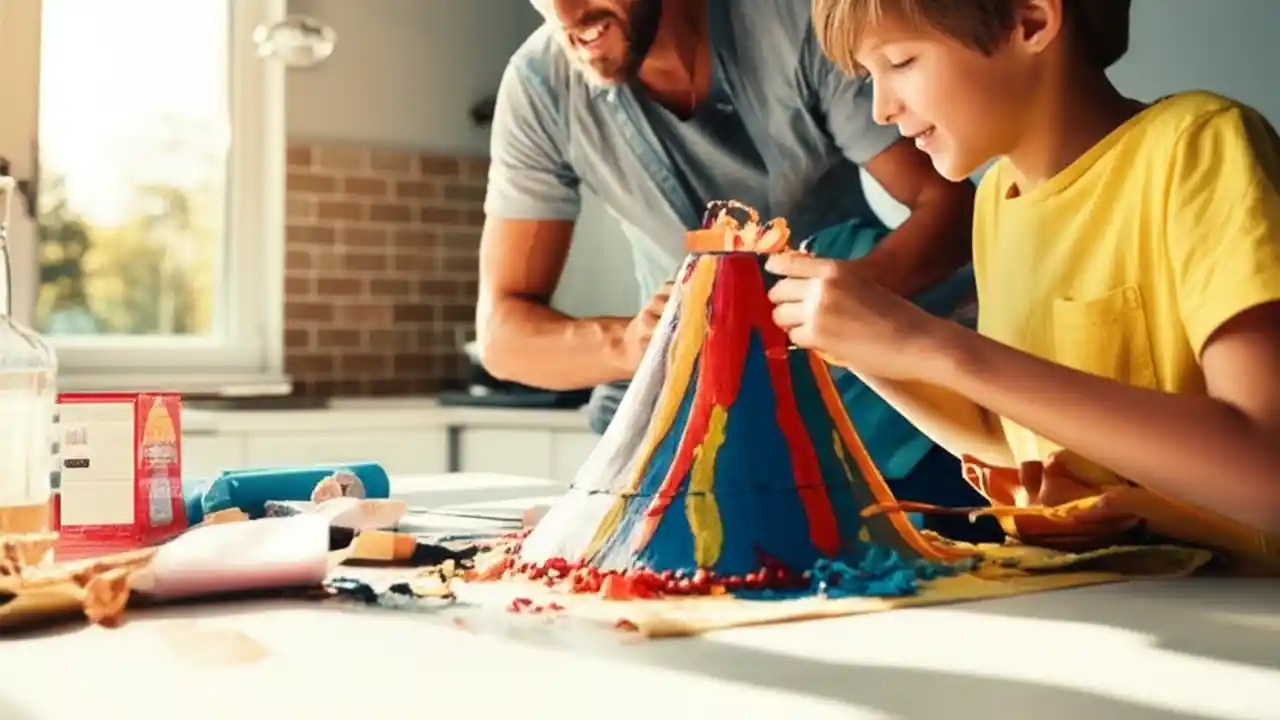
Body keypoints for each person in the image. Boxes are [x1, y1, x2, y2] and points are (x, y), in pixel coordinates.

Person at [769, 0, 1280, 570]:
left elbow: (1267, 471)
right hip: (1121, 610)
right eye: (870, 77)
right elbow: (1018, 435)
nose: (883, 109)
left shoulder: (1198, 148)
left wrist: (931, 344)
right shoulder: (996, 200)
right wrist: (863, 348)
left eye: (901, 61)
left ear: (1031, 21)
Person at [477, 0, 991, 535]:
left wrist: (840, 304)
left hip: (880, 413)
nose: (562, 10)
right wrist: (635, 345)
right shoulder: (540, 87)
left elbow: (950, 209)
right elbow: (502, 337)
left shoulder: (794, 23)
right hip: (693, 435)